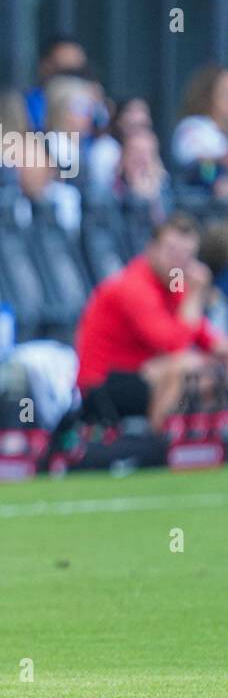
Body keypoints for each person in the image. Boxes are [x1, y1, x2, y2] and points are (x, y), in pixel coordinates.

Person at [75, 214, 228, 431]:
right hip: (101, 386)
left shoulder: (174, 285)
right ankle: (162, 443)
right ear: (152, 249)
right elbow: (173, 345)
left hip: (145, 375)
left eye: (187, 255)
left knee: (213, 370)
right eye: (172, 252)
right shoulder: (134, 286)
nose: (179, 261)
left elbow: (207, 338)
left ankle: (210, 440)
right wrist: (194, 296)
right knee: (185, 365)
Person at [170, 64, 228, 198]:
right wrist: (218, 163)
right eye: (225, 92)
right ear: (208, 95)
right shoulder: (193, 127)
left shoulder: (222, 131)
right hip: (202, 206)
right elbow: (196, 168)